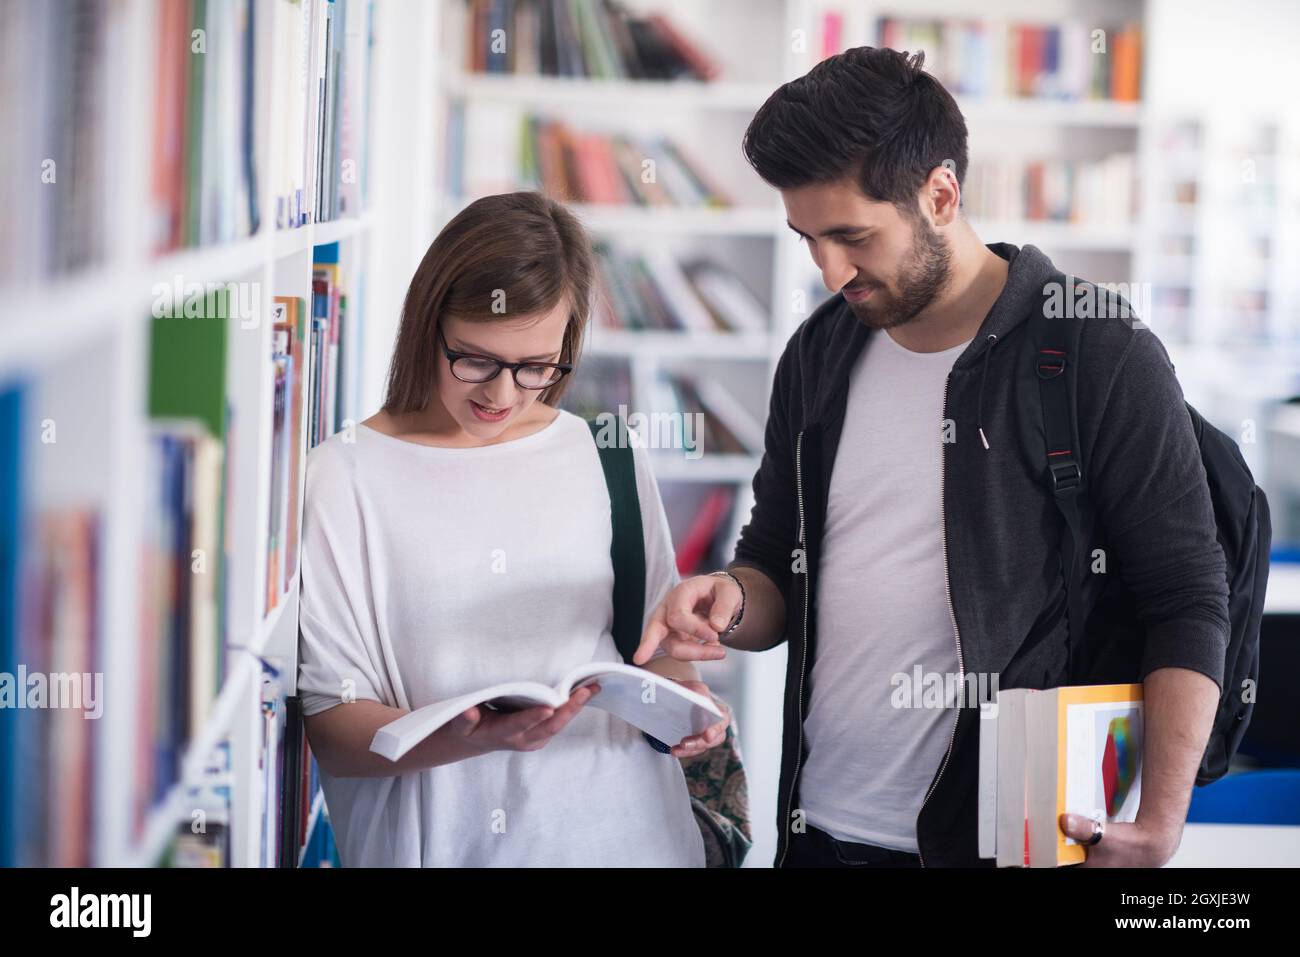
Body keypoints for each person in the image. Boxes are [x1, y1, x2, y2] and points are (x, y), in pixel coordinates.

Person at [634, 47, 1230, 868]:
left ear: (940, 194)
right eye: (808, 238)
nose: (829, 269)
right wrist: (726, 600)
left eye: (852, 236)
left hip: (1012, 837)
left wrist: (1161, 822)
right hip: (820, 828)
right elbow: (775, 565)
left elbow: (1188, 595)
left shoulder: (1097, 346)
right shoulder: (818, 353)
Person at [296, 191, 727, 867]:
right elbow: (334, 729)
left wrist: (688, 703)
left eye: (534, 367)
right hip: (446, 843)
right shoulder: (343, 476)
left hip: (632, 837)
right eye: (474, 358)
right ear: (427, 323)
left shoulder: (606, 451)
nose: (501, 394)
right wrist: (480, 737)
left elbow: (651, 649)